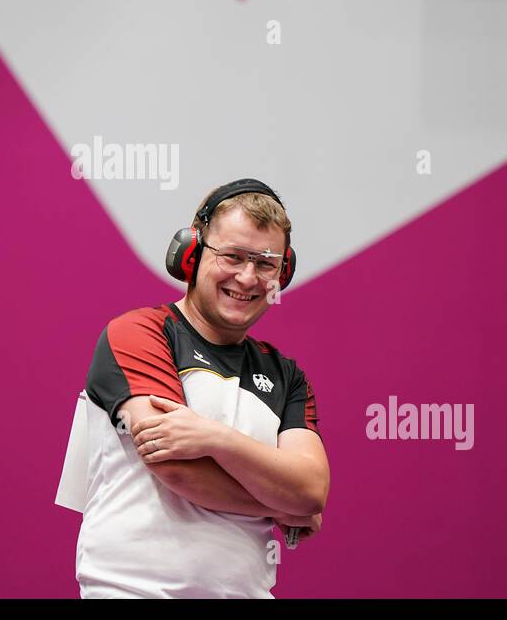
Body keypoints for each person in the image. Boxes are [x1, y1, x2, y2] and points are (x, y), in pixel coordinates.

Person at [54, 179, 328, 598]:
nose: (248, 277)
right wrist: (279, 505)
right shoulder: (138, 333)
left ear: (283, 272)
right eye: (232, 256)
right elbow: (177, 469)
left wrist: (216, 439)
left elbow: (309, 489)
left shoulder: (287, 376)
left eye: (266, 262)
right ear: (191, 254)